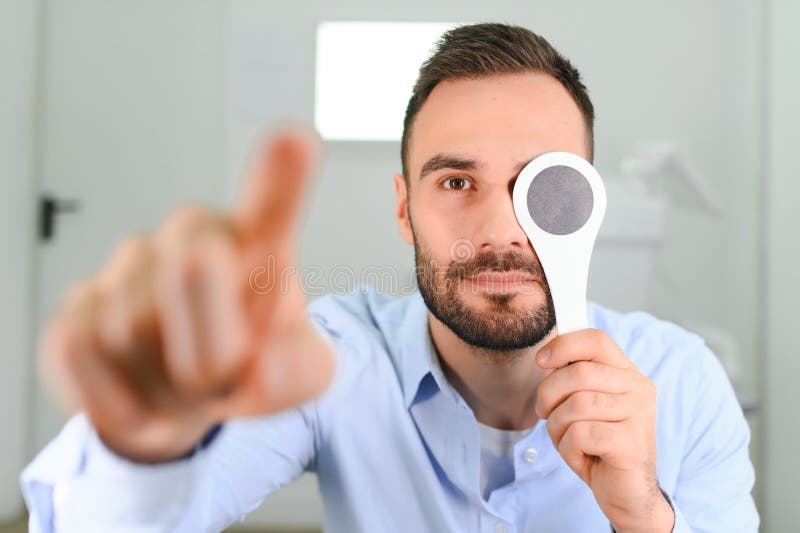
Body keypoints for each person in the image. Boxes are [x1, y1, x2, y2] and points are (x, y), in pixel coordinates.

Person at [20, 23, 758, 532]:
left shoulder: (684, 384)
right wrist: (148, 446)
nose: (500, 231)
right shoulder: (329, 359)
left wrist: (647, 518)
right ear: (404, 209)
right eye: (457, 183)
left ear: (587, 205)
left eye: (540, 185)